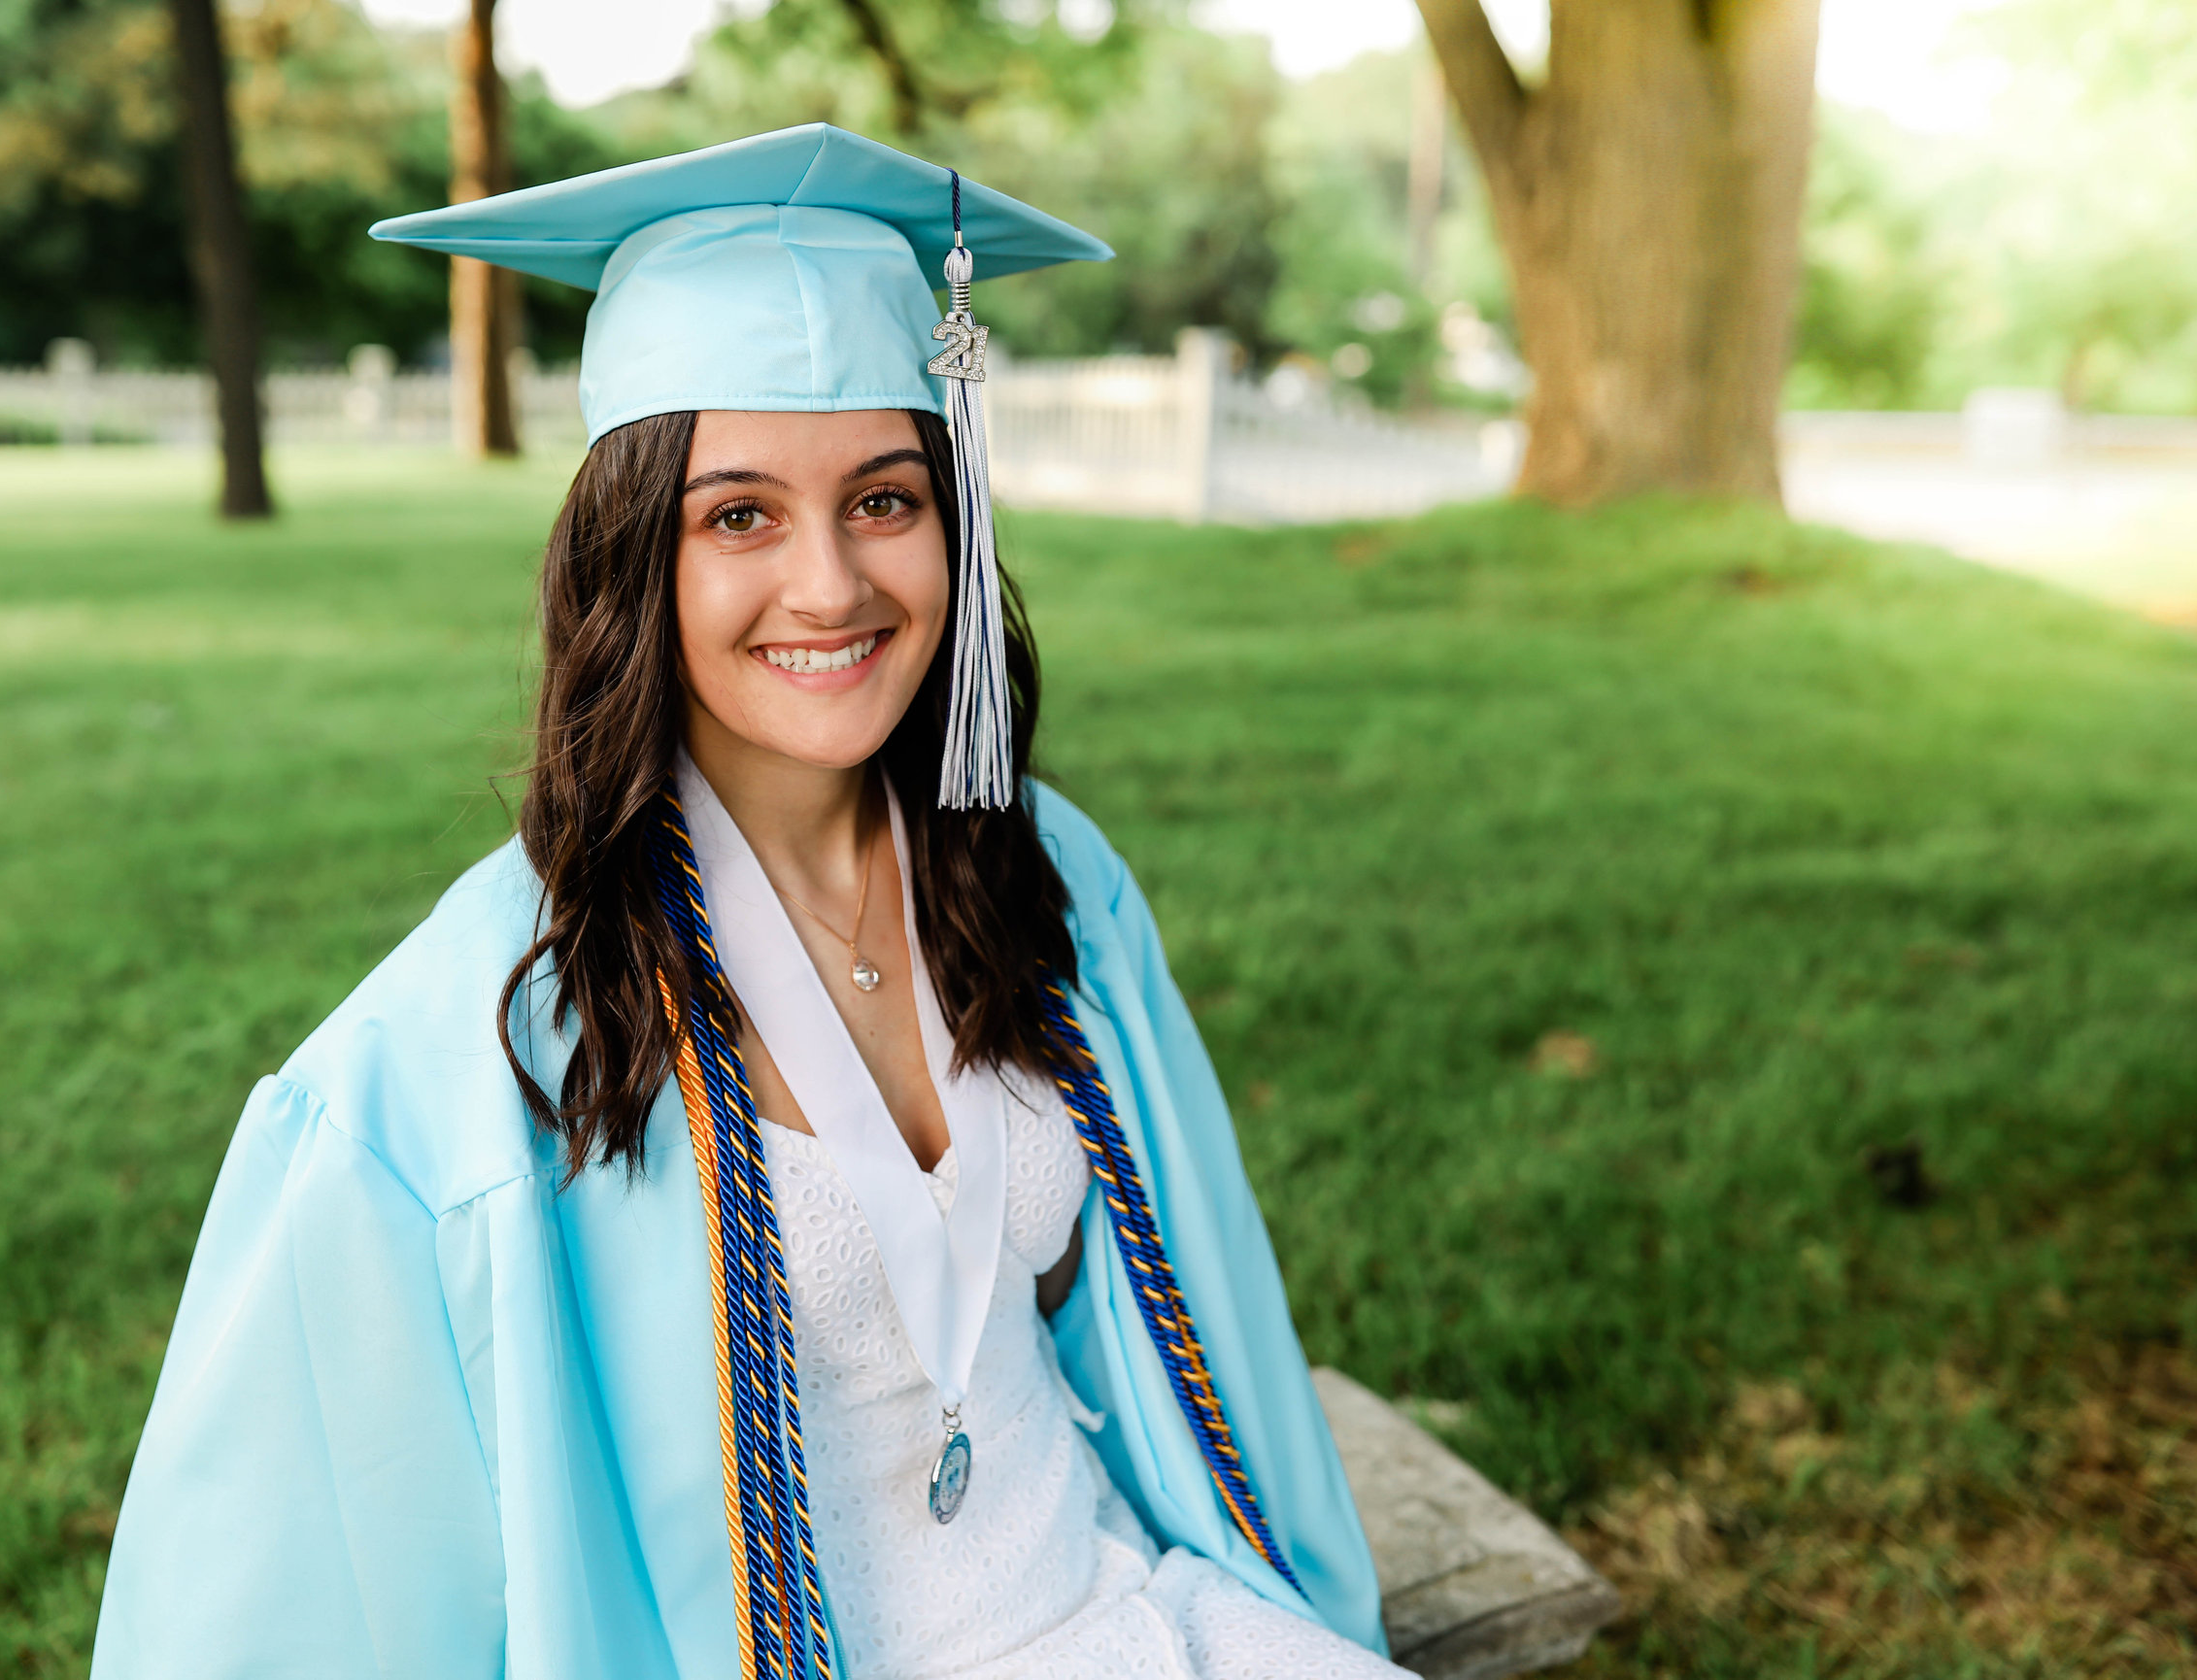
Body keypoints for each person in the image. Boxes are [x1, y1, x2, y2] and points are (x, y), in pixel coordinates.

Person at [90, 123, 1410, 1680]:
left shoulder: (1039, 871)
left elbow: (1201, 1320)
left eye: (884, 498)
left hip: (1130, 1613)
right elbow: (296, 1573)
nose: (832, 586)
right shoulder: (473, 1040)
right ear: (631, 551)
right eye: (739, 516)